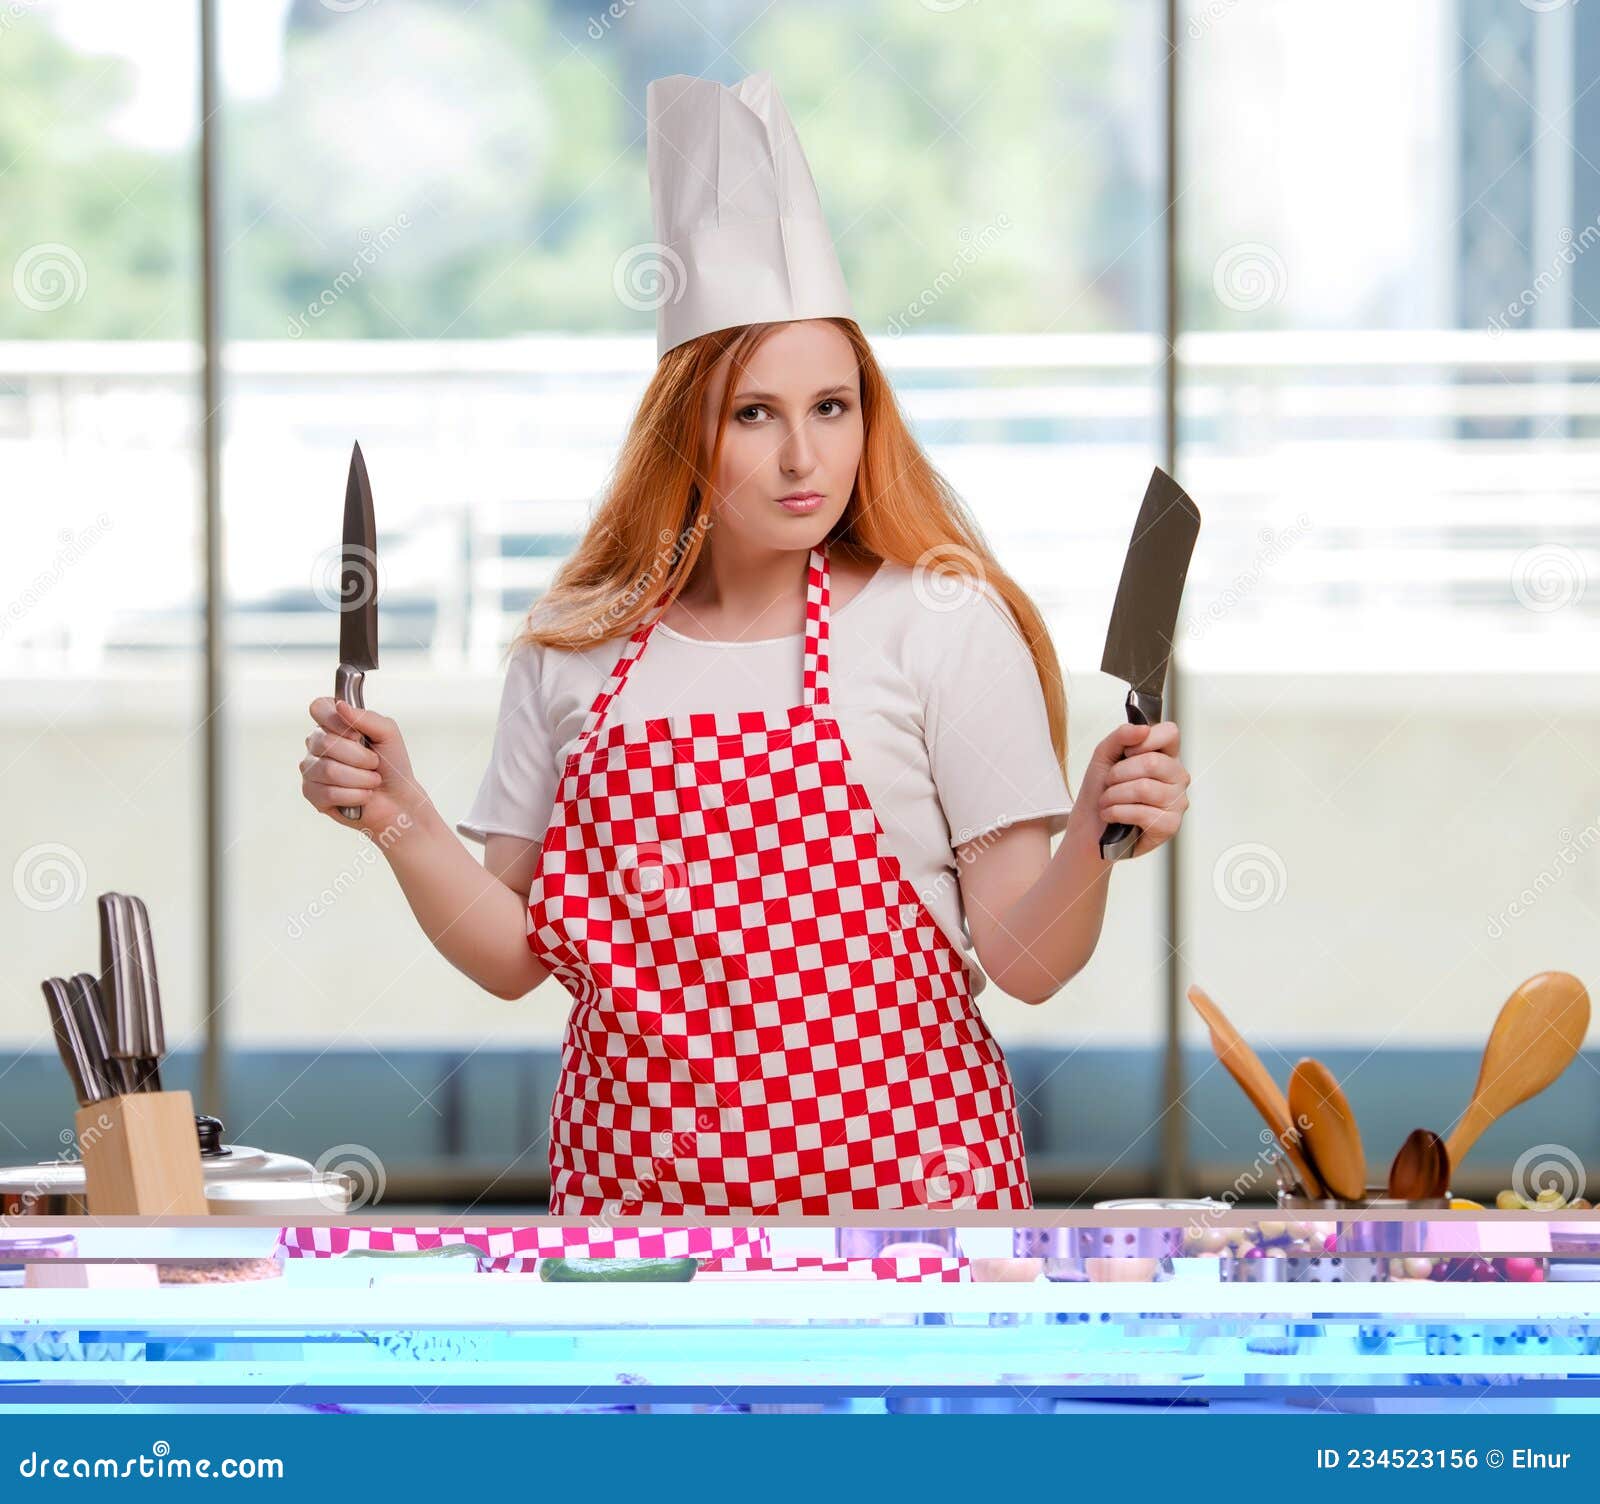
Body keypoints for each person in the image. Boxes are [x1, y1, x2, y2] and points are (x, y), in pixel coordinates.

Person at [299, 71, 1191, 1215]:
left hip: (914, 1221)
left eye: (831, 406)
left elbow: (1024, 960)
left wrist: (1089, 837)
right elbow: (516, 956)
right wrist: (400, 817)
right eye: (754, 413)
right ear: (688, 430)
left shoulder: (940, 623)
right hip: (643, 1228)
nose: (802, 459)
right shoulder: (571, 656)